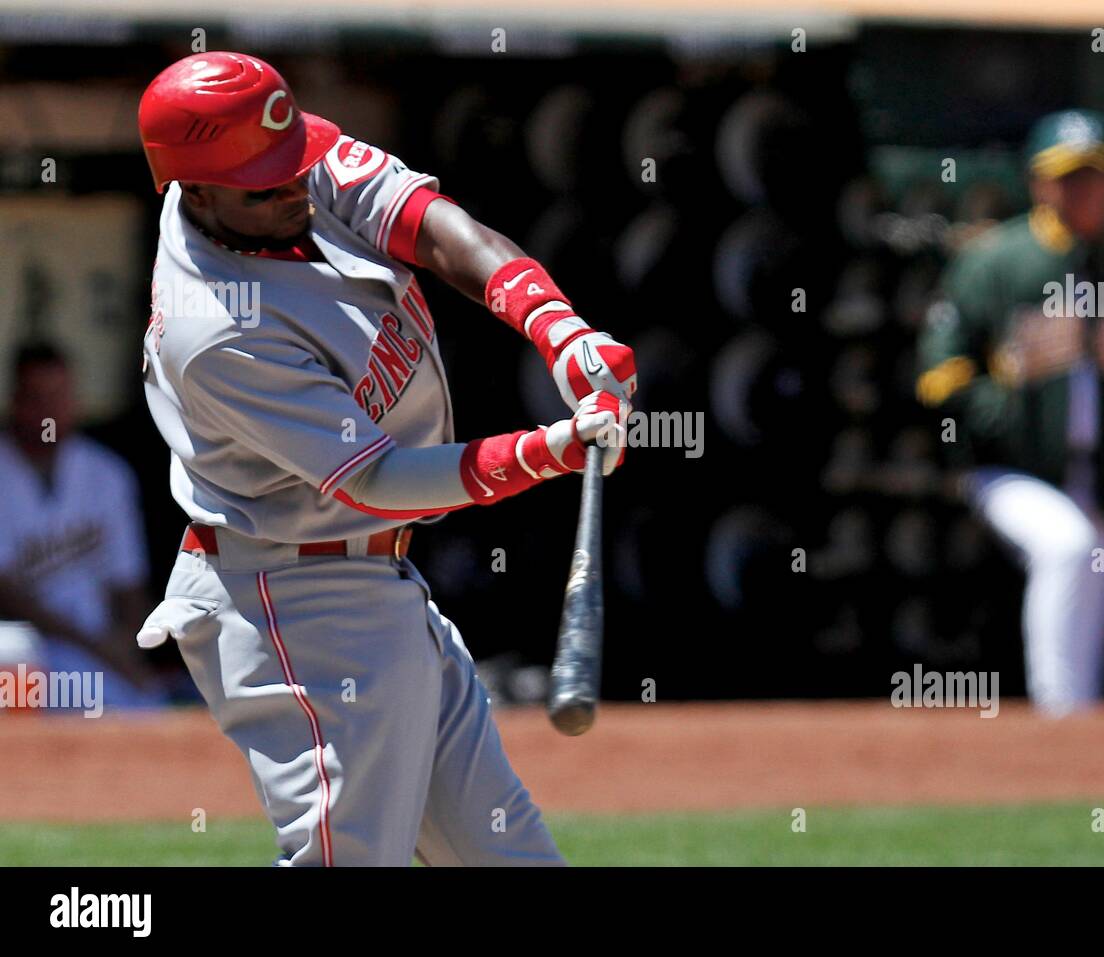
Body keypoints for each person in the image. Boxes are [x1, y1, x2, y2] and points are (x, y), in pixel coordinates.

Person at [135, 52, 636, 865]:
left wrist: (560, 330)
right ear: (195, 191)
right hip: (292, 601)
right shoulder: (215, 330)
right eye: (266, 187)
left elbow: (434, 229)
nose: (297, 189)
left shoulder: (283, 165)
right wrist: (549, 450)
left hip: (376, 586)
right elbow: (378, 481)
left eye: (295, 165)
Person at [916, 109, 1104, 716]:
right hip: (1009, 472)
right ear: (1040, 183)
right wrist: (1006, 396)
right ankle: (1057, 719)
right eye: (1069, 177)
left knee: (1095, 563)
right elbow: (939, 376)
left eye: (1096, 177)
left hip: (1098, 474)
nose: (1085, 191)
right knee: (1066, 545)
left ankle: (1076, 747)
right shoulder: (998, 262)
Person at [0, 341, 165, 711]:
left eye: (58, 397)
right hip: (28, 648)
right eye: (36, 398)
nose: (48, 413)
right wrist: (98, 648)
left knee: (145, 709)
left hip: (99, 645)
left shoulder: (105, 473)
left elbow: (128, 585)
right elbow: (7, 594)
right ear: (16, 402)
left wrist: (129, 647)